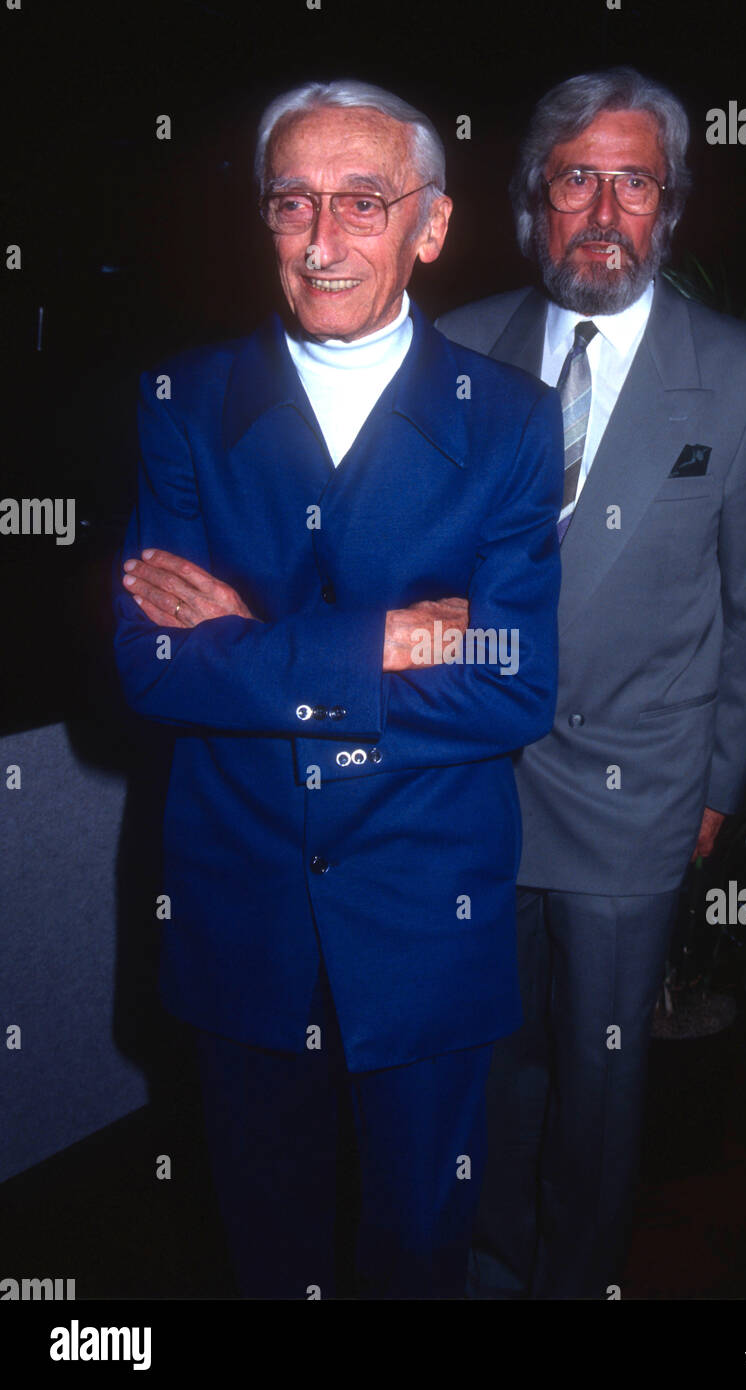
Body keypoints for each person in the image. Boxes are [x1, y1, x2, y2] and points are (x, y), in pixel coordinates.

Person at [113, 78, 563, 1300]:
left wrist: (254, 644)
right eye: (293, 203)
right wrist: (384, 642)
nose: (323, 242)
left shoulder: (515, 420)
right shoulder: (184, 403)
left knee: (418, 1245)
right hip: (238, 911)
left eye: (365, 203)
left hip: (427, 919)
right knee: (267, 1244)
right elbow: (152, 665)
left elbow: (513, 684)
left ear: (432, 225)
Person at [437, 65, 746, 1299]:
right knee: (489, 1065)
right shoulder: (455, 347)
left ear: (671, 206)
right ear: (535, 202)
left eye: (633, 180)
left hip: (635, 795)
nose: (604, 208)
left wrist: (715, 783)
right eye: (576, 177)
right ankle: (489, 1270)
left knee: (599, 1092)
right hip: (475, 785)